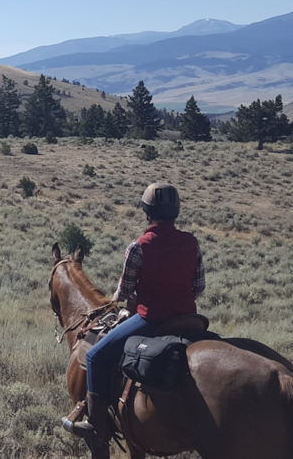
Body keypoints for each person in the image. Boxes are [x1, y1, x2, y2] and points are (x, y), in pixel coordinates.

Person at [74, 182, 205, 457]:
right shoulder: (191, 242)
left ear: (147, 212)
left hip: (152, 320)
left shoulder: (138, 247)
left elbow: (123, 292)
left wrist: (125, 305)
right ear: (175, 212)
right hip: (189, 320)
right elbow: (199, 287)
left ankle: (96, 426)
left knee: (96, 356)